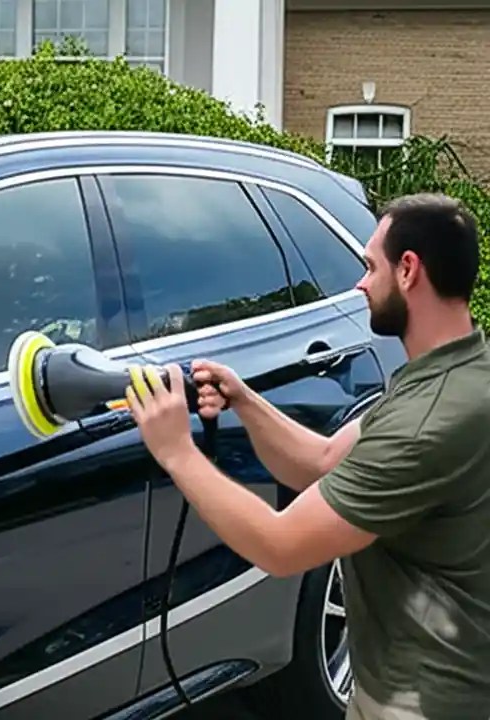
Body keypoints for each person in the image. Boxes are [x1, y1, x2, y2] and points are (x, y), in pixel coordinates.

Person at [123, 192, 490, 720]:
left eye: (370, 266)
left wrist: (177, 453)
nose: (361, 284)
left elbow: (281, 546)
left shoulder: (426, 420)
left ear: (408, 270)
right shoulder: (455, 375)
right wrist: (245, 402)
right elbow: (322, 461)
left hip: (427, 702)